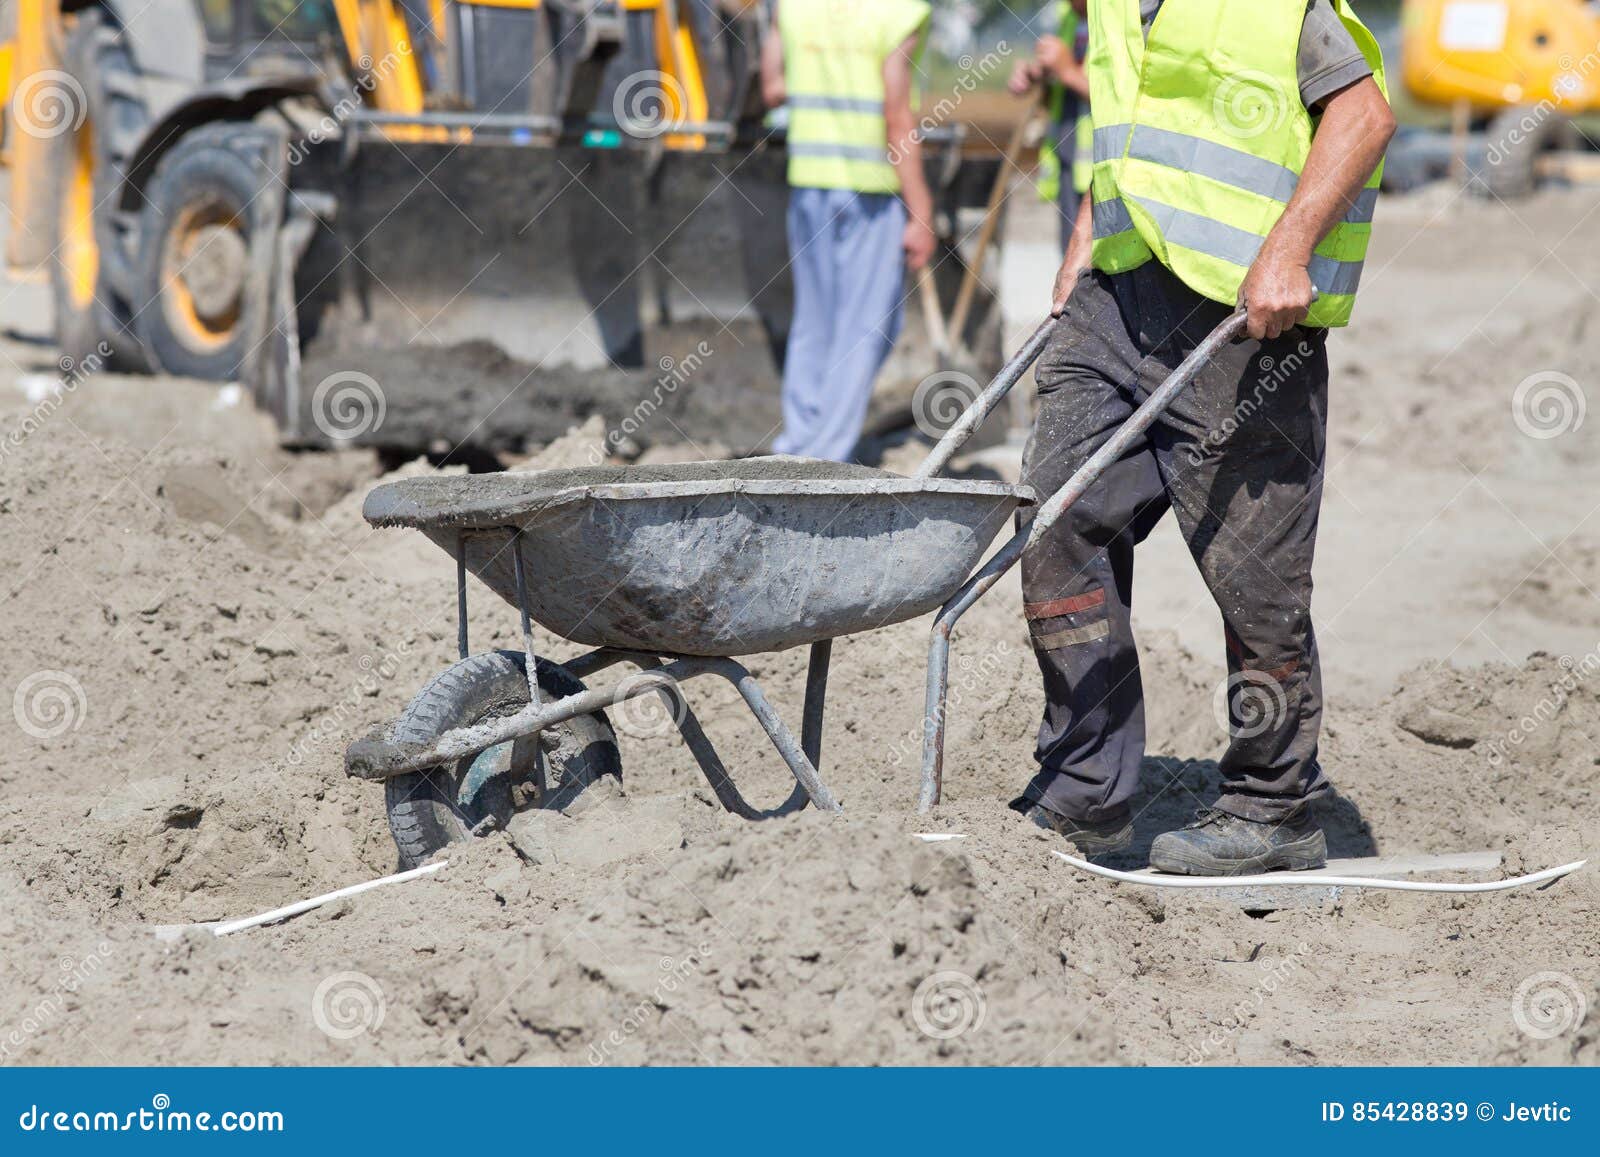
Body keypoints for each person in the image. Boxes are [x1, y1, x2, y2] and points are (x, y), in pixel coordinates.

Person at [1014, 0, 1396, 874]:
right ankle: (1086, 787)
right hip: (1114, 301)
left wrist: (1289, 247)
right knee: (1054, 521)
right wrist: (1083, 237)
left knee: (1255, 581)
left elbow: (1365, 114)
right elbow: (1130, 130)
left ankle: (1273, 807)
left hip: (1242, 322)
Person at [761, 0, 936, 462]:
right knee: (865, 328)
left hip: (810, 182)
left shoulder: (792, 9)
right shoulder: (898, 13)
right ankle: (826, 455)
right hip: (870, 193)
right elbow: (896, 116)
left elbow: (772, 87)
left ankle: (797, 443)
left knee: (814, 322)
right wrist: (921, 210)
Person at [1009, 1, 1092, 250]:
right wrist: (1038, 76)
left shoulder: (1126, 19)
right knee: (1072, 270)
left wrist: (1068, 72)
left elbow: (1128, 98)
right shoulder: (1067, 18)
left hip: (1106, 177)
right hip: (1071, 168)